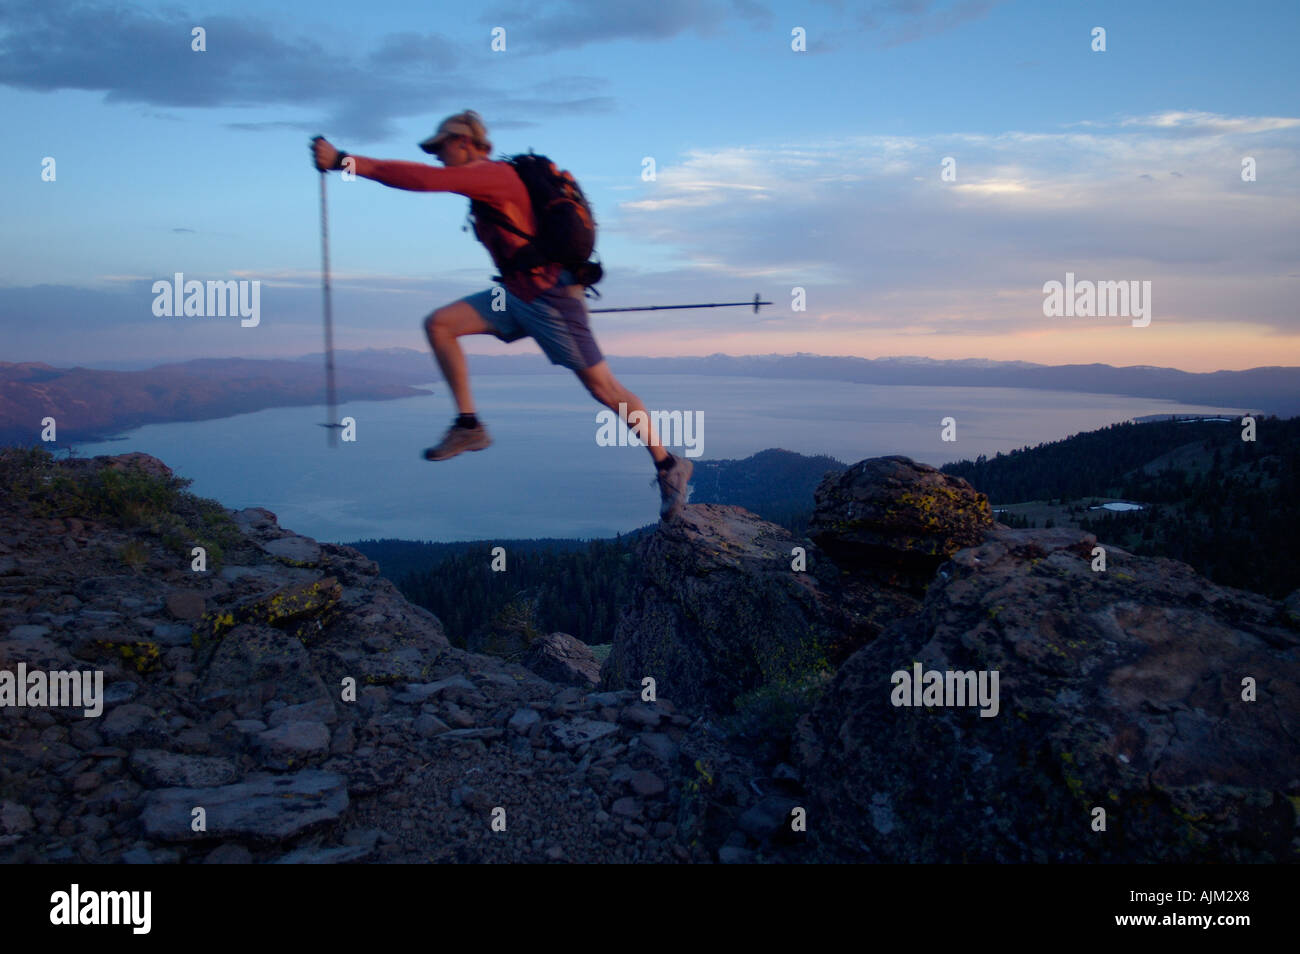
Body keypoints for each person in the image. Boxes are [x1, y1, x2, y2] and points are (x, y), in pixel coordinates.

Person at [310, 111, 694, 521]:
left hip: (550, 297)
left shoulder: (491, 176)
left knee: (605, 389)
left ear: (464, 143)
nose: (439, 157)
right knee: (440, 324)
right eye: (435, 151)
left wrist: (343, 161)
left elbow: (422, 179)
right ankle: (469, 424)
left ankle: (669, 464)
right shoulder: (484, 184)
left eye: (442, 148)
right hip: (514, 295)